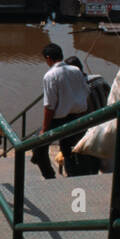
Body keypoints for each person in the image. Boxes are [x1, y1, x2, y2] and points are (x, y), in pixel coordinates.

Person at [32, 43, 92, 179]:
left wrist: (45, 129)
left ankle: (49, 175)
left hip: (60, 120)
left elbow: (49, 106)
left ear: (48, 58)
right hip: (79, 117)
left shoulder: (50, 75)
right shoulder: (76, 70)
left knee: (38, 143)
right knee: (69, 148)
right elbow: (86, 92)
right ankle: (72, 174)